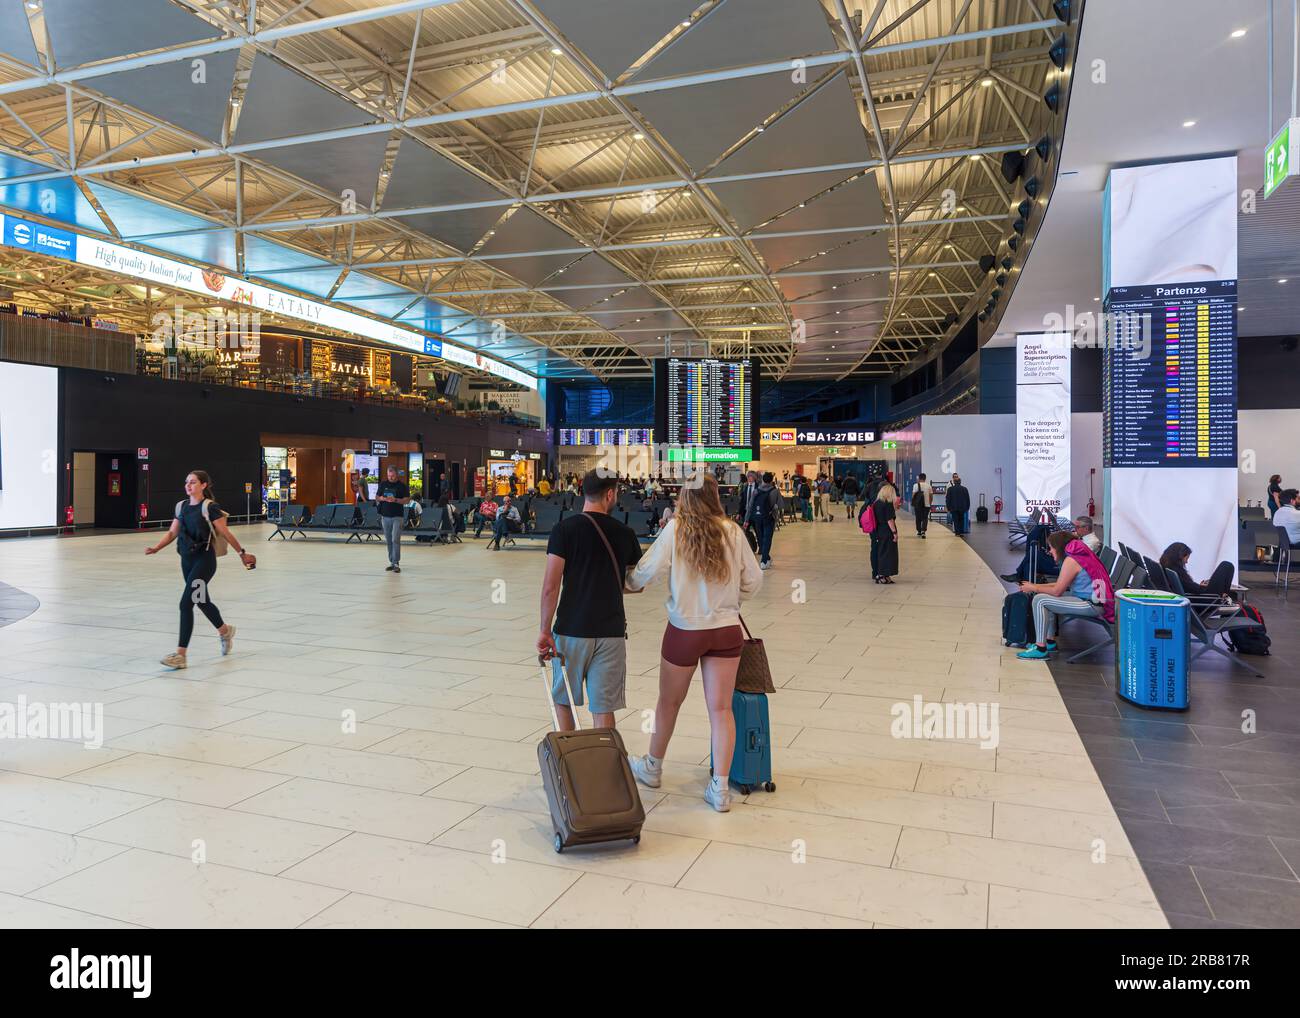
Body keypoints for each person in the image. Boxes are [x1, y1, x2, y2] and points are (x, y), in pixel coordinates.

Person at [625, 475, 763, 812]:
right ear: (716, 496)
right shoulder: (733, 531)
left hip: (685, 630)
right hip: (726, 630)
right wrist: (734, 600)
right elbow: (755, 579)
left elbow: (647, 570)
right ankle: (720, 789)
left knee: (668, 703)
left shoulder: (676, 529)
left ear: (685, 497)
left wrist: (629, 584)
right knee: (721, 710)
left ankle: (653, 767)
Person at [538, 471, 643, 732]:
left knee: (563, 700)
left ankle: (571, 764)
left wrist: (544, 629)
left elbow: (551, 587)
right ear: (610, 494)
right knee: (603, 707)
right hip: (611, 633)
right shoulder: (625, 533)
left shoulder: (564, 530)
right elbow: (635, 585)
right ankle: (603, 766)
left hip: (571, 630)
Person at [145, 470, 255, 670]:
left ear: (203, 485)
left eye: (193, 482)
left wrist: (242, 553)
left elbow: (225, 532)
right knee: (201, 600)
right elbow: (172, 532)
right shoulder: (181, 506)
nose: (188, 485)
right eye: (187, 482)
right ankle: (225, 630)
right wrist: (156, 548)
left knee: (185, 604)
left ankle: (180, 655)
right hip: (186, 560)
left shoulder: (210, 507)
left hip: (204, 561)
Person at [1015, 531, 1115, 660]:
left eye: (1051, 548)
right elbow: (1060, 584)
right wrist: (1034, 586)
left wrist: (1034, 588)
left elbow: (1057, 591)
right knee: (1046, 597)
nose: (1050, 551)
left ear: (1058, 546)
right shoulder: (1079, 555)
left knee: (1039, 600)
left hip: (1091, 605)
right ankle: (1049, 642)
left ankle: (1040, 648)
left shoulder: (1071, 560)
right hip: (1093, 601)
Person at [1159, 541, 1234, 597]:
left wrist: (1199, 586)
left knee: (1226, 567)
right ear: (1180, 557)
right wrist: (1203, 587)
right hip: (1206, 600)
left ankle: (1224, 594)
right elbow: (1195, 590)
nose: (1187, 562)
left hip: (1196, 597)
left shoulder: (1167, 568)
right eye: (1186, 558)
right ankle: (1224, 595)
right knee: (1227, 565)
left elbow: (1189, 587)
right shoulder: (1176, 571)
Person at [1000, 513, 1059, 583]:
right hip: (1056, 561)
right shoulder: (1072, 538)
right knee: (1030, 564)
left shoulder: (1074, 543)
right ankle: (1027, 586)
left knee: (1033, 553)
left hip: (1059, 566)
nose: (1075, 528)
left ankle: (1019, 576)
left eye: (1076, 526)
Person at [375, 465, 409, 572]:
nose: (391, 477)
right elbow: (377, 497)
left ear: (396, 475)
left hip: (397, 516)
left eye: (392, 476)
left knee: (395, 539)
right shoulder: (383, 484)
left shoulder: (402, 486)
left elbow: (407, 500)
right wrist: (382, 498)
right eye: (389, 476)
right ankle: (391, 561)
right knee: (389, 540)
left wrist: (395, 500)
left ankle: (396, 563)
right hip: (385, 516)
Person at [744, 470, 780, 570]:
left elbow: (750, 506)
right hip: (769, 518)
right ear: (771, 481)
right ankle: (764, 561)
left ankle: (767, 558)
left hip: (757, 518)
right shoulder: (775, 491)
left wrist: (746, 520)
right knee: (767, 539)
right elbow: (779, 506)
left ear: (762, 480)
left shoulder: (756, 491)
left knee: (761, 539)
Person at [867, 480, 899, 583]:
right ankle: (882, 575)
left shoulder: (877, 503)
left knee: (882, 553)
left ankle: (883, 575)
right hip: (887, 531)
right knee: (888, 554)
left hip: (879, 530)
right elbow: (890, 520)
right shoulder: (887, 503)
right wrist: (894, 533)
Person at [911, 473, 932, 537]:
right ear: (925, 478)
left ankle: (919, 531)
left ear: (919, 478)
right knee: (925, 518)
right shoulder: (929, 486)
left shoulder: (915, 485)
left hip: (918, 505)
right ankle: (923, 531)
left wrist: (914, 502)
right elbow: (931, 496)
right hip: (926, 505)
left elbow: (913, 495)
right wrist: (930, 503)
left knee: (918, 518)